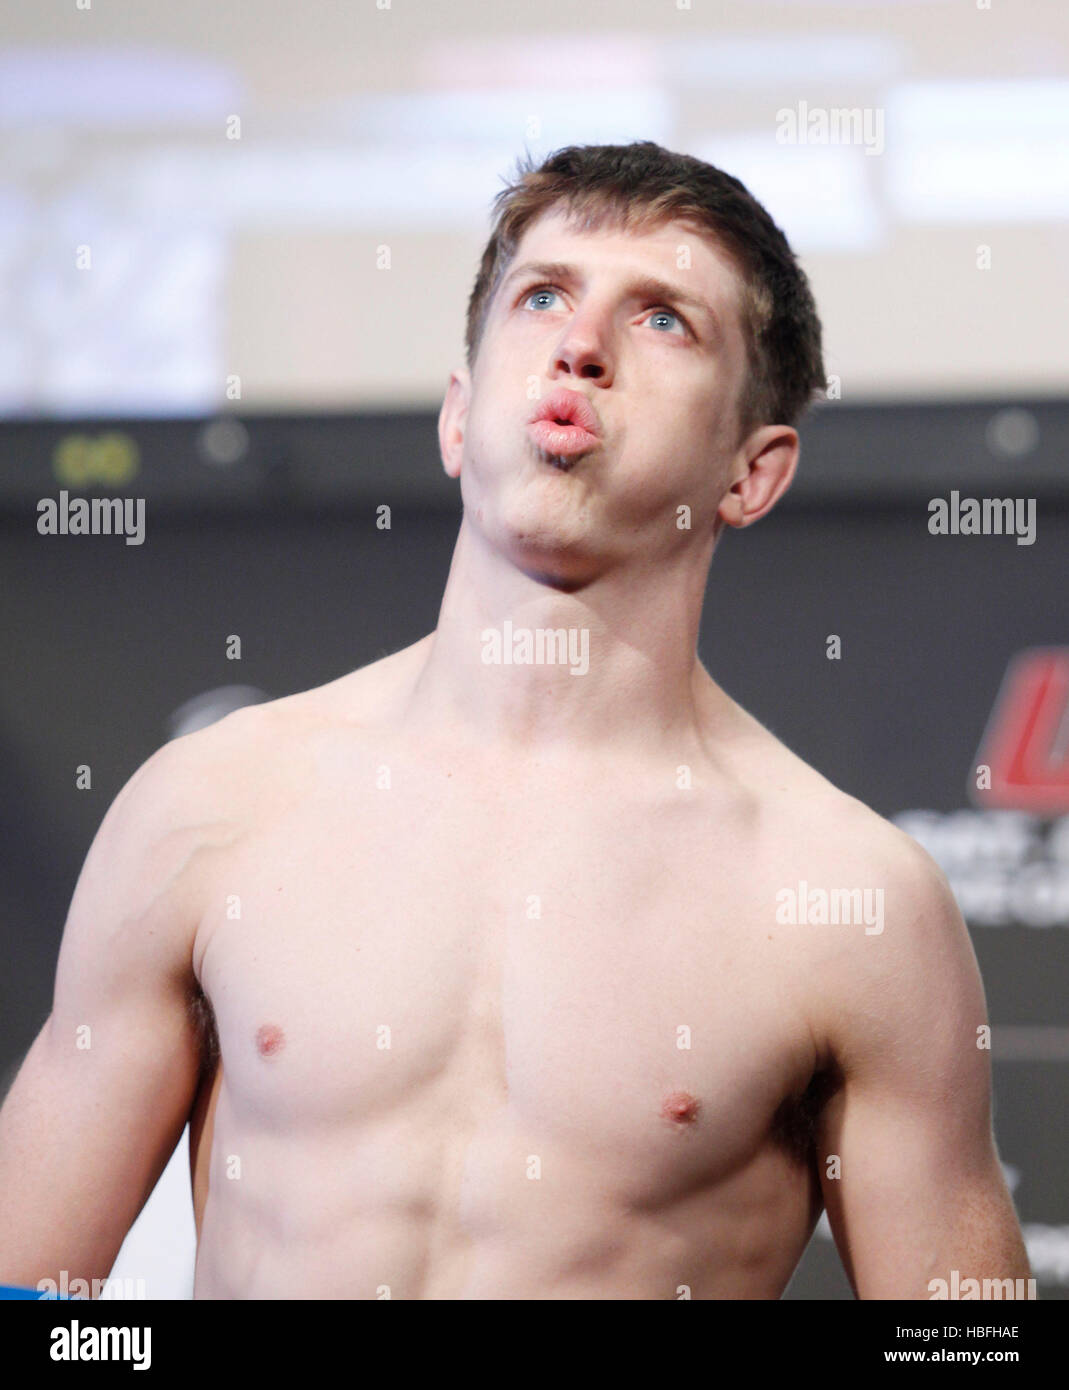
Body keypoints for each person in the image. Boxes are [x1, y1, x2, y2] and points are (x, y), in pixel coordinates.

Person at [0, 141, 1029, 1299]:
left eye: (662, 321)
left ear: (752, 472)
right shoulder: (208, 808)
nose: (578, 345)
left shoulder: (850, 901)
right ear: (457, 415)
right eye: (543, 296)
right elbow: (32, 1300)